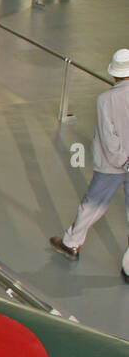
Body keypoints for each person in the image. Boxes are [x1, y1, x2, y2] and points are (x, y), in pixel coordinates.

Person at [50, 49, 129, 282]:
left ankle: (71, 243)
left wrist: (123, 161)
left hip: (110, 166)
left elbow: (109, 136)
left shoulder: (106, 100)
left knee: (93, 203)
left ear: (115, 75)